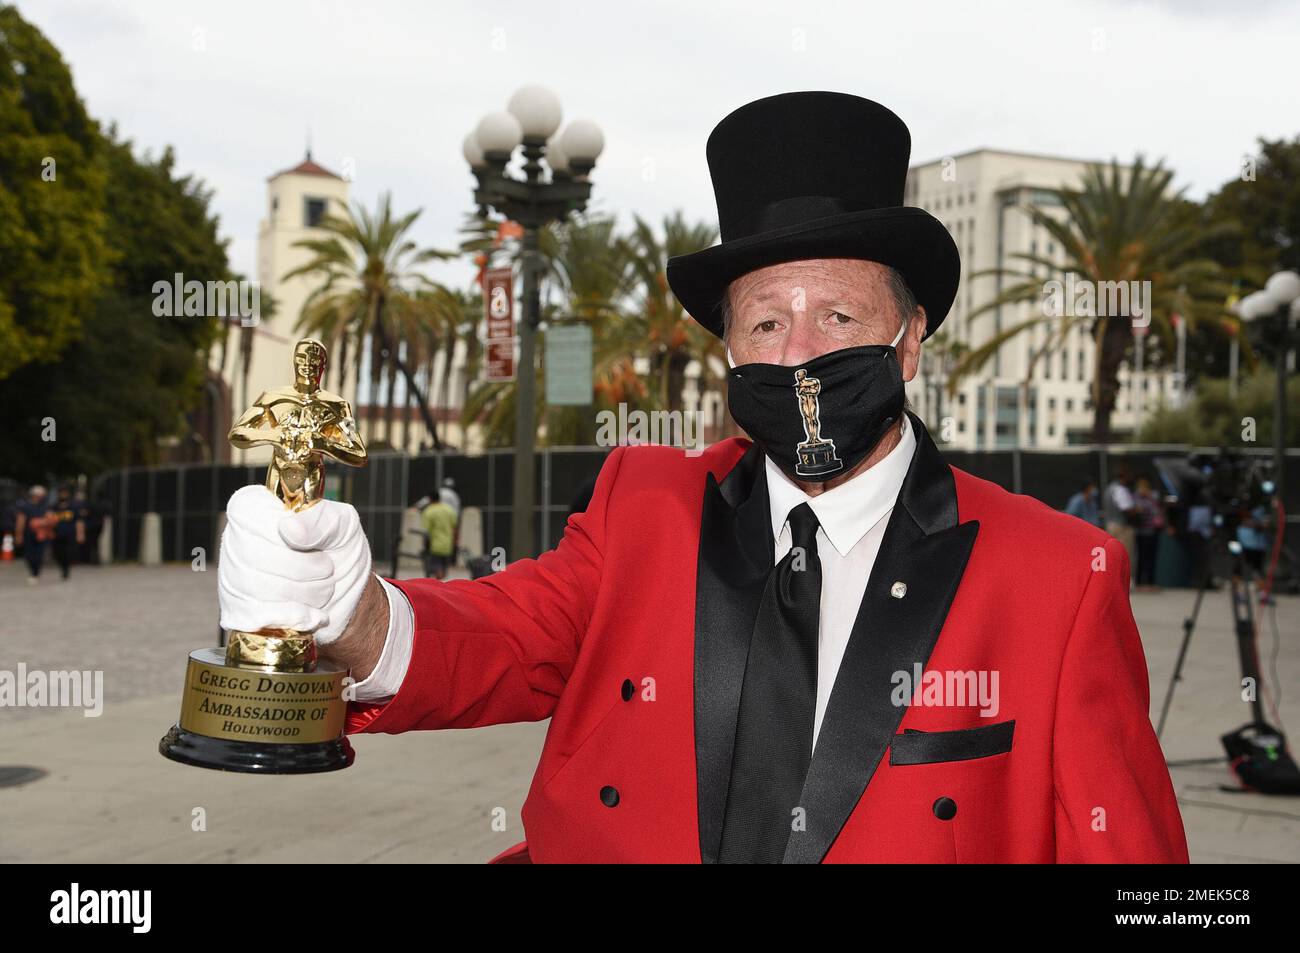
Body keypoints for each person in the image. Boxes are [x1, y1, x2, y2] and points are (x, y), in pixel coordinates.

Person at [217, 93, 1187, 863]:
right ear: (727, 345)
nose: (798, 350)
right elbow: (503, 634)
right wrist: (353, 615)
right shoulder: (643, 507)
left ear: (911, 340)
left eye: (838, 318)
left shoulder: (1059, 577)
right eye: (765, 322)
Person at [1103, 465, 1139, 582]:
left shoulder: (1109, 488)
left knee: (1113, 555)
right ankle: (1124, 582)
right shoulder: (1120, 489)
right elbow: (1127, 508)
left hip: (1110, 524)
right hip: (1121, 526)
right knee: (1125, 555)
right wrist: (1138, 509)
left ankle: (1113, 580)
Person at [13, 485, 54, 585]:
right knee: (29, 555)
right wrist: (19, 535)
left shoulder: (46, 506)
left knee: (39, 555)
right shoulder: (25, 506)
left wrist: (44, 523)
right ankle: (33, 571)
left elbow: (51, 519)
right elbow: (20, 521)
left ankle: (35, 573)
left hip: (42, 534)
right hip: (29, 534)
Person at [48, 484, 87, 580]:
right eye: (61, 493)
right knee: (57, 553)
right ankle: (63, 566)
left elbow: (79, 521)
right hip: (56, 534)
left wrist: (80, 534)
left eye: (64, 493)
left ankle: (66, 569)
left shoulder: (73, 506)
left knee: (67, 553)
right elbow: (48, 520)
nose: (63, 495)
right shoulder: (54, 507)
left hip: (70, 534)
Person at [1133, 477, 1164, 591]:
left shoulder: (1153, 496)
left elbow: (1157, 511)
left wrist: (1150, 498)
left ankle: (1151, 582)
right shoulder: (1135, 497)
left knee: (1152, 557)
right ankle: (1140, 582)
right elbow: (1136, 511)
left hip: (1152, 530)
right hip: (1141, 531)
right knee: (1141, 557)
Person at [419, 494, 458, 580]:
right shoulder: (449, 509)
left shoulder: (429, 511)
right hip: (448, 545)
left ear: (430, 499)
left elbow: (426, 531)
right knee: (444, 568)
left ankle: (439, 584)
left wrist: (424, 544)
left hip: (435, 545)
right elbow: (454, 527)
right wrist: (455, 542)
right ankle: (441, 582)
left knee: (436, 568)